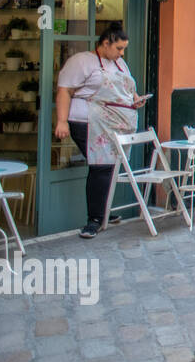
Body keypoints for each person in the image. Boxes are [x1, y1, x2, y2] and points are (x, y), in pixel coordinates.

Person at [53, 27, 148, 239]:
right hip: (87, 120)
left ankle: (103, 211)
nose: (122, 53)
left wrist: (136, 98)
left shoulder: (119, 63)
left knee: (111, 166)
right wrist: (61, 121)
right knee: (101, 165)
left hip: (112, 124)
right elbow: (64, 91)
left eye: (124, 49)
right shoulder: (82, 61)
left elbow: (125, 89)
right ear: (105, 43)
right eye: (119, 48)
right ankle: (94, 220)